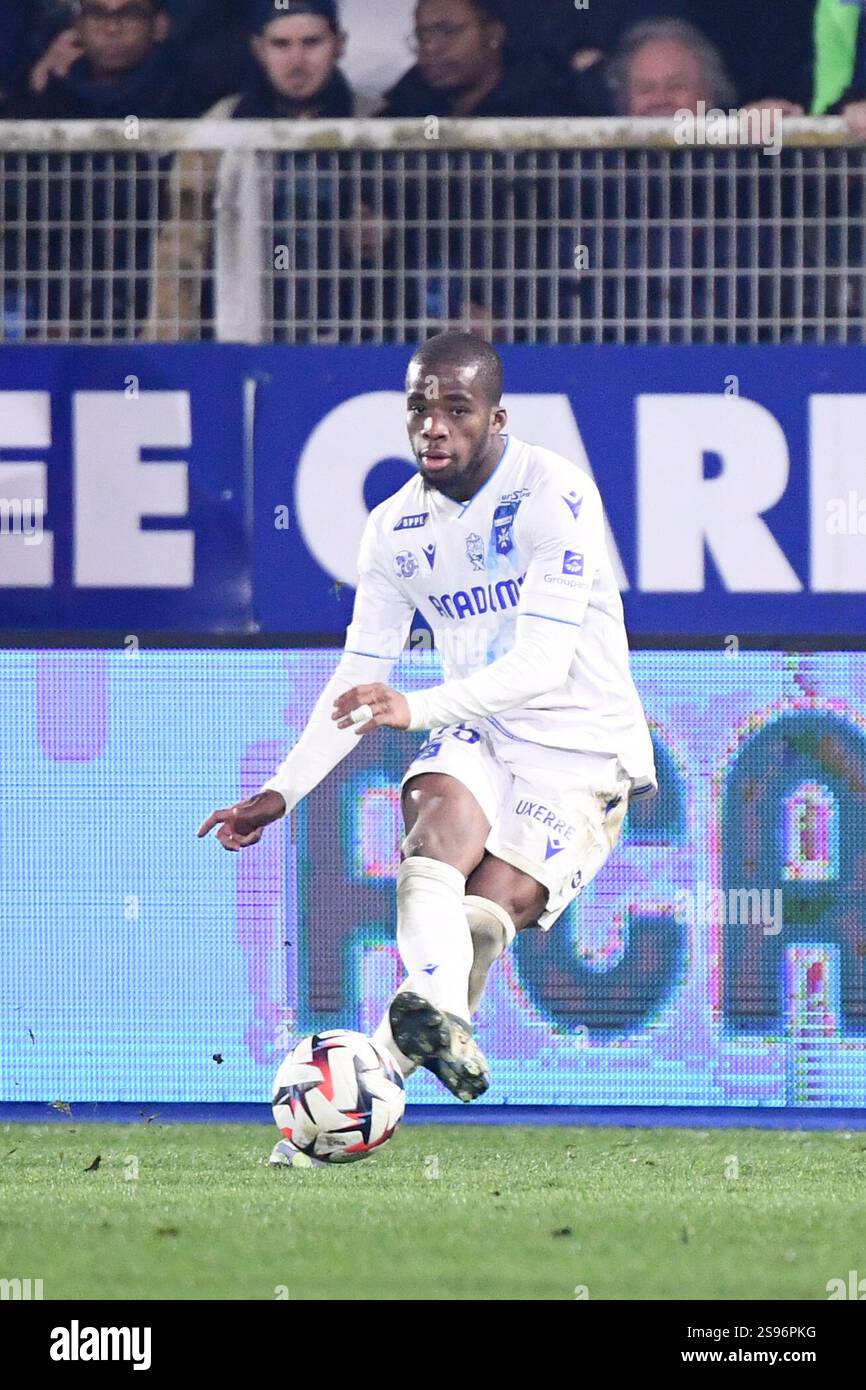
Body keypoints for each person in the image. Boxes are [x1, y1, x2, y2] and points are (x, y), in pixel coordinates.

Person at [199, 333, 657, 1130]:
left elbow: (544, 663)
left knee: (483, 921)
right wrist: (284, 788)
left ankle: (369, 1078)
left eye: (455, 409)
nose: (433, 426)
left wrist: (413, 706)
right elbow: (356, 673)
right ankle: (416, 1042)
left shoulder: (555, 495)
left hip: (584, 743)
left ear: (497, 419)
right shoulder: (394, 529)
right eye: (419, 407)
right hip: (480, 729)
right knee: (432, 825)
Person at [146, 0, 372, 342]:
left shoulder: (379, 125)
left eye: (312, 43)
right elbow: (181, 246)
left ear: (340, 44)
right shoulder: (218, 129)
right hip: (242, 335)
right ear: (258, 48)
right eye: (281, 45)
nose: (297, 61)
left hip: (356, 339)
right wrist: (167, 342)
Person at [379, 0, 600, 118]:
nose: (429, 47)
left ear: (494, 34)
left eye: (446, 31)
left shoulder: (546, 116)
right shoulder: (404, 110)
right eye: (422, 34)